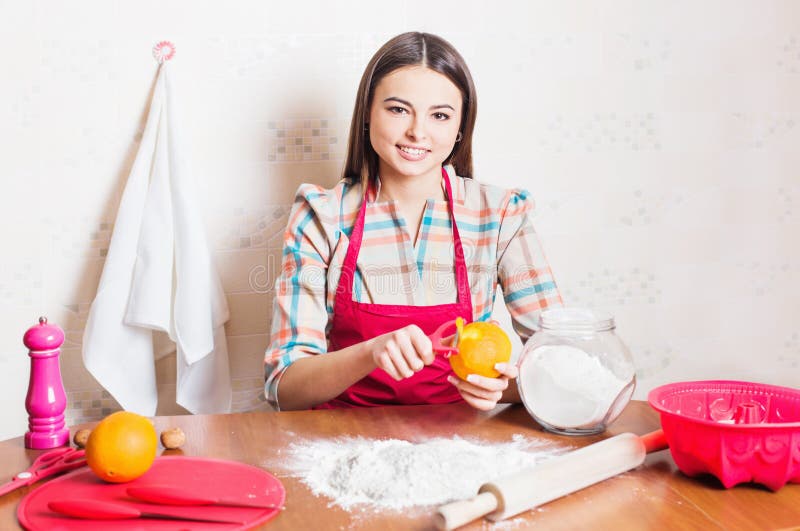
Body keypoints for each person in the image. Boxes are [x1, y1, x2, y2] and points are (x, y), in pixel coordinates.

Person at [264, 32, 561, 411]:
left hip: (460, 437)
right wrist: (370, 352)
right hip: (339, 433)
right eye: (398, 110)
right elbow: (284, 387)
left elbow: (559, 361)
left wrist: (502, 386)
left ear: (460, 127)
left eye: (440, 115)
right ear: (367, 113)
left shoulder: (499, 215)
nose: (417, 132)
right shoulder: (323, 216)